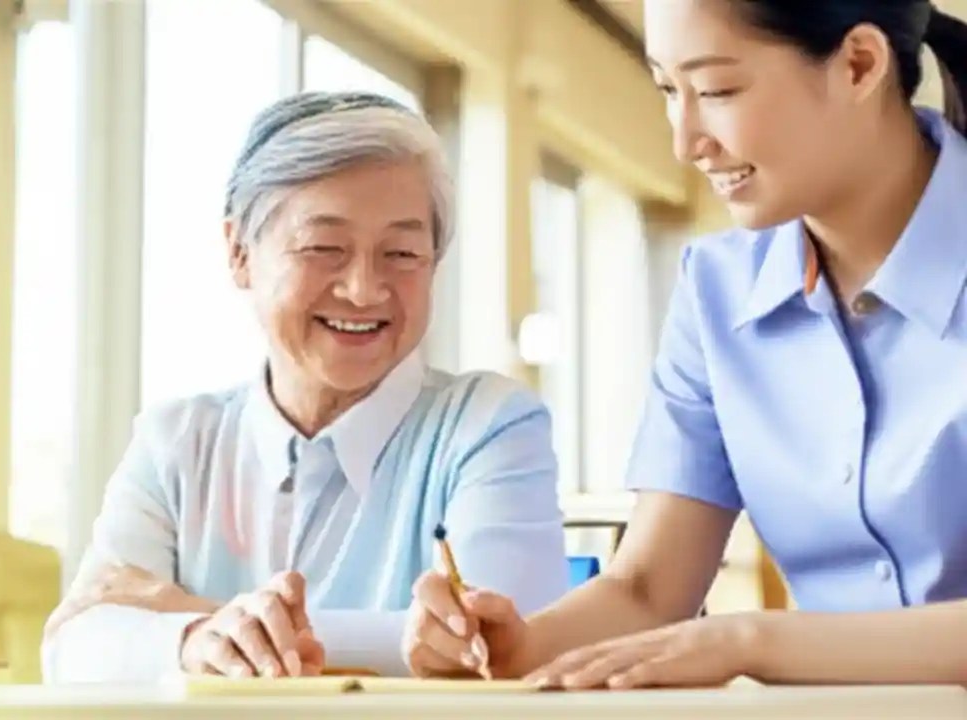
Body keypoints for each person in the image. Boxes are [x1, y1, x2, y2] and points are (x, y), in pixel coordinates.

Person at [403, 0, 967, 689]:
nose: (685, 140)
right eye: (670, 91)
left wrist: (754, 640)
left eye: (717, 91)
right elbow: (646, 590)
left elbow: (734, 637)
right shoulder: (718, 290)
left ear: (858, 65)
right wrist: (515, 645)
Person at [42, 91, 569, 684]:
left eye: (401, 252)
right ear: (240, 253)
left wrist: (187, 620)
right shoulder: (177, 442)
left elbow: (500, 641)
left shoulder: (489, 425)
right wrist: (196, 637)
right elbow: (72, 645)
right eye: (324, 248)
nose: (365, 289)